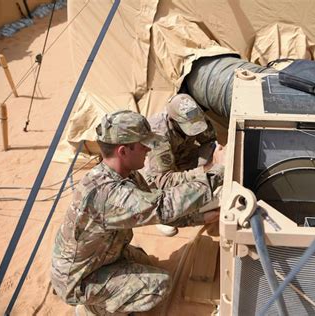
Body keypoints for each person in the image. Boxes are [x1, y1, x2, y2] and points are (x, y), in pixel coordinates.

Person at [51, 110, 225, 315]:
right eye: (142, 144)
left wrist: (199, 218)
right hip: (79, 279)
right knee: (158, 286)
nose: (148, 148)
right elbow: (164, 206)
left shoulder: (126, 175)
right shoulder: (109, 195)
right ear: (123, 151)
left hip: (102, 258)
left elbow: (155, 205)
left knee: (142, 261)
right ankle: (93, 310)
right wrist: (218, 171)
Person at [142, 93, 223, 236]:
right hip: (159, 175)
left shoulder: (194, 115)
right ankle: (163, 215)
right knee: (162, 191)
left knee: (213, 151)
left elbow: (209, 140)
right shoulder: (158, 136)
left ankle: (203, 194)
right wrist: (206, 170)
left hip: (183, 157)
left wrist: (216, 155)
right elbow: (164, 180)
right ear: (173, 120)